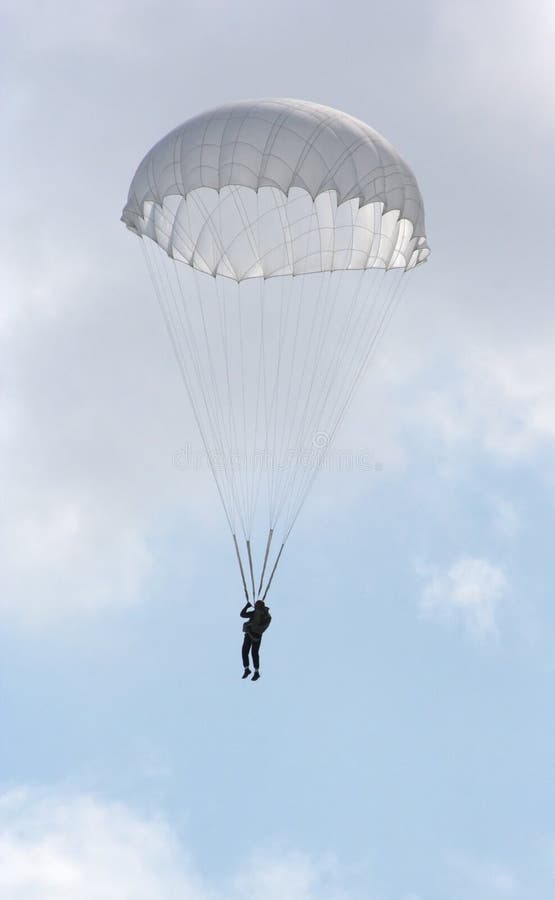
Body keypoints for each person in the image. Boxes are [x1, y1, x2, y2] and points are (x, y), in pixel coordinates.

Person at [240, 599, 271, 680]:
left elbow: (242, 614)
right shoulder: (265, 615)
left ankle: (247, 669)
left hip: (250, 634)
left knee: (245, 651)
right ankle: (256, 671)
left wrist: (247, 606)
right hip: (257, 636)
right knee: (254, 653)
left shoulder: (256, 613)